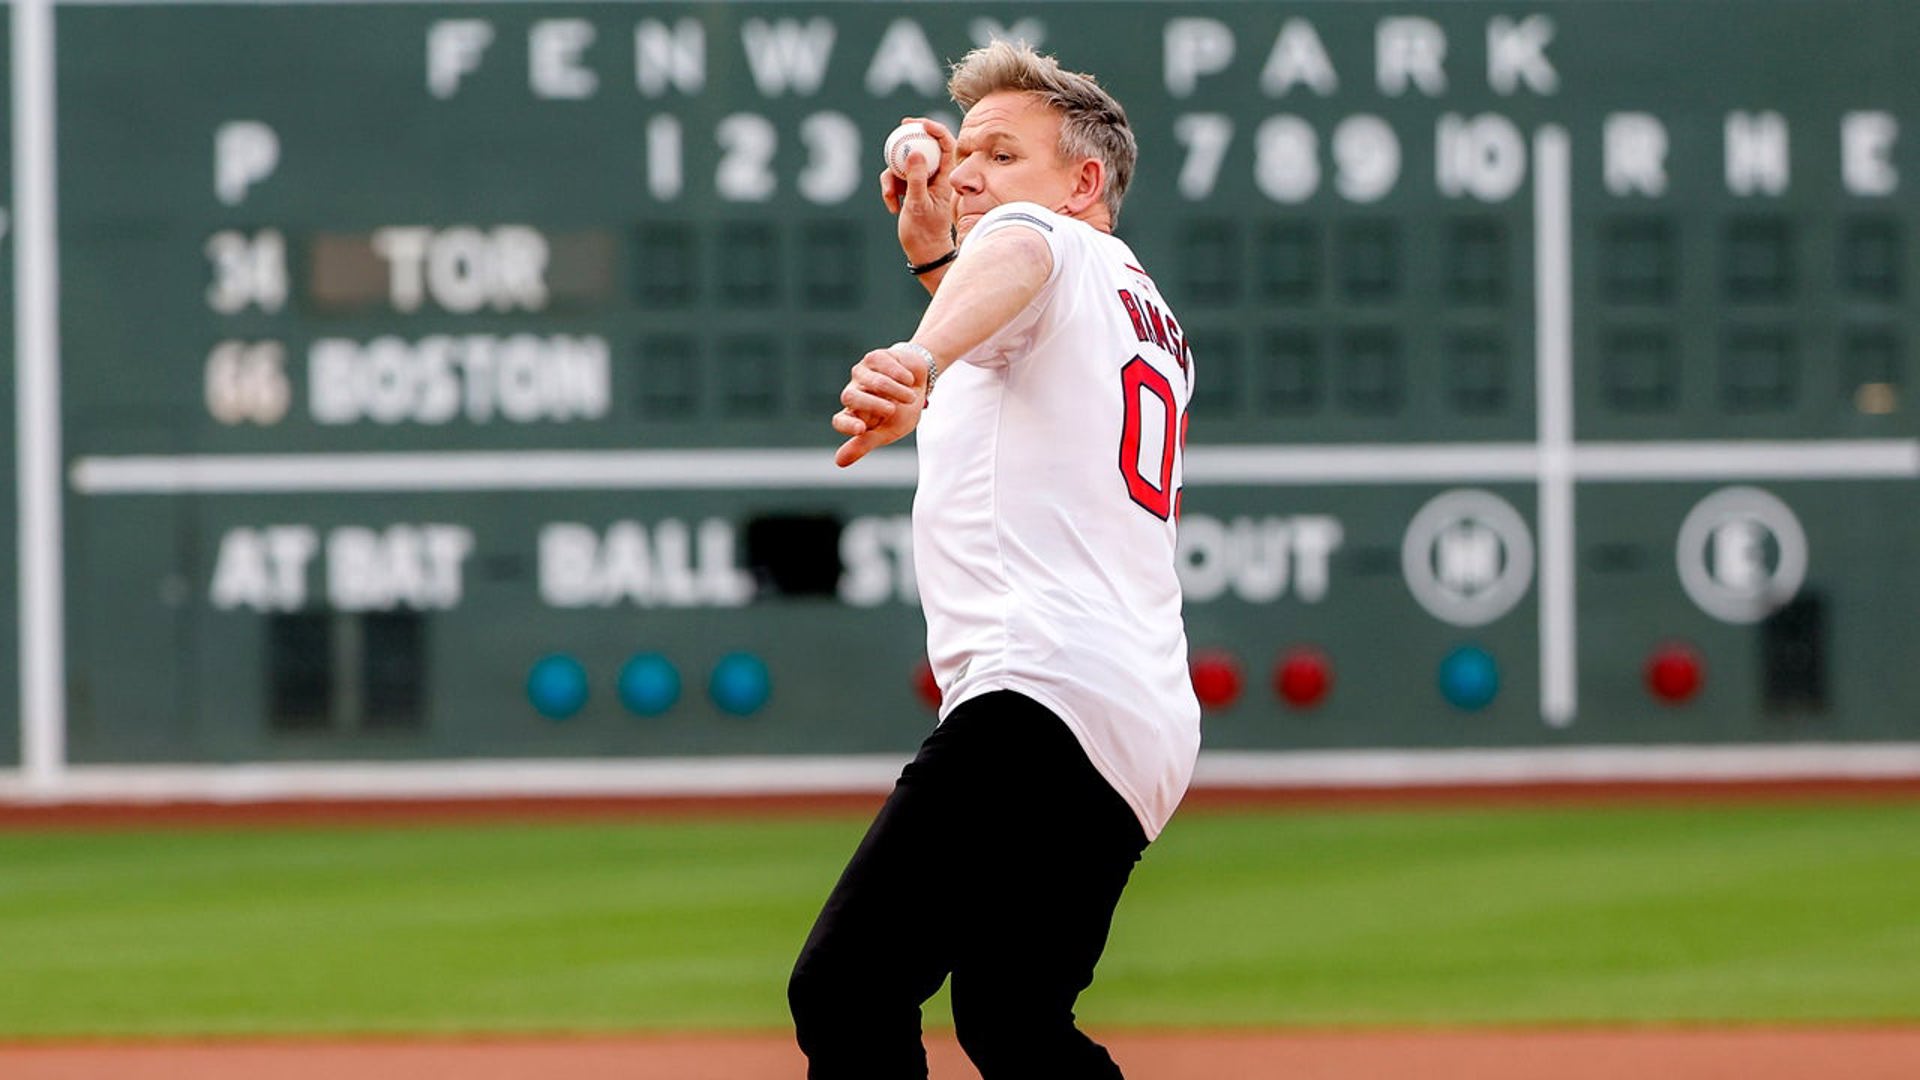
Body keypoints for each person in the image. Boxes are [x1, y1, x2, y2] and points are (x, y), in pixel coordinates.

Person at [788, 40, 1200, 1079]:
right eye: (963, 150)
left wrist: (917, 354)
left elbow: (1017, 258)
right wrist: (938, 266)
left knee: (847, 985)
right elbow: (1012, 308)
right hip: (1138, 720)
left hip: (1042, 688)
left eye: (1001, 153)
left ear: (1084, 181)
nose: (968, 171)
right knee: (1013, 1018)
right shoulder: (1144, 310)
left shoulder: (1041, 238)